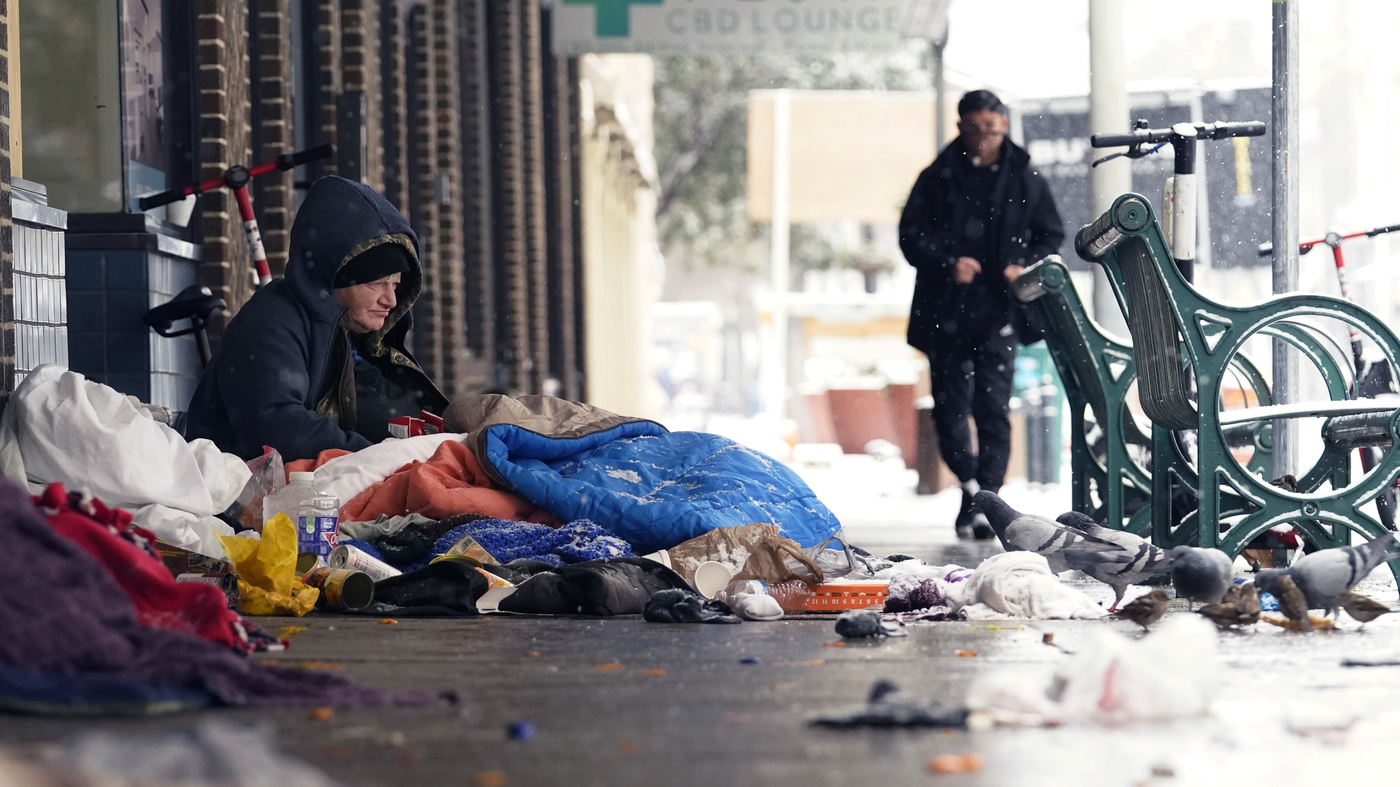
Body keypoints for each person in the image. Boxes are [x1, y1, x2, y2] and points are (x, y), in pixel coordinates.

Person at [185, 176, 449, 462]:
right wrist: (379, 458)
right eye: (377, 284)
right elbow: (277, 428)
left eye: (395, 285)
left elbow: (383, 404)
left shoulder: (342, 336)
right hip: (231, 498)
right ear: (337, 276)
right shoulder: (270, 323)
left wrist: (449, 428)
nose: (391, 301)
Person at [899, 90, 1065, 539]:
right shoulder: (937, 177)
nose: (984, 137)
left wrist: (1023, 265)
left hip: (1001, 311)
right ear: (960, 127)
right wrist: (947, 262)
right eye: (974, 128)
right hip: (945, 312)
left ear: (1004, 127)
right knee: (949, 409)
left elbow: (1052, 233)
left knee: (993, 406)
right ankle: (970, 488)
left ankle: (987, 498)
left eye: (991, 128)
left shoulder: (1024, 176)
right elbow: (910, 236)